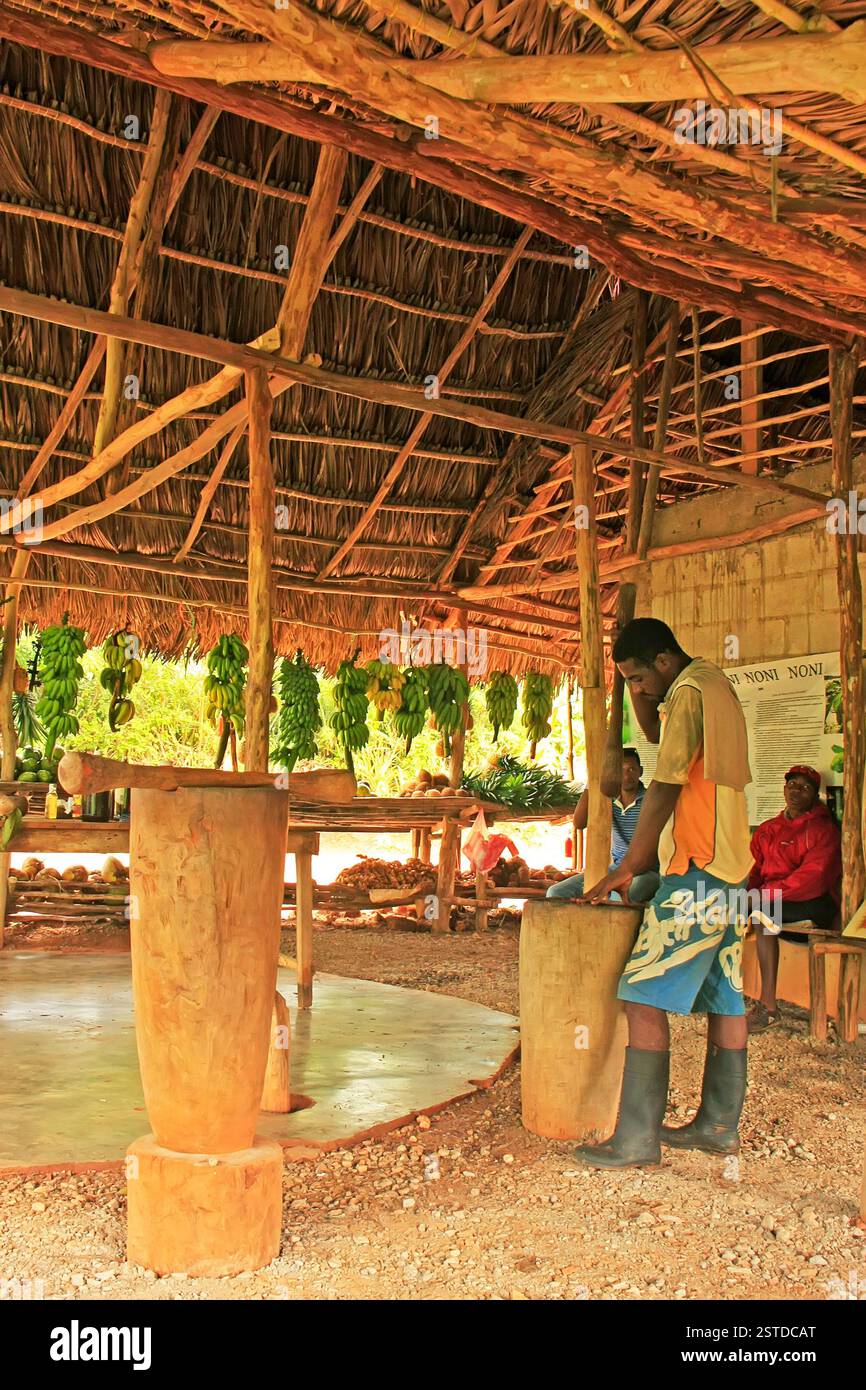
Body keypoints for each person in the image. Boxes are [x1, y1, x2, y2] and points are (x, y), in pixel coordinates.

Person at [573, 618, 753, 1170]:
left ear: (664, 660)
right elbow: (654, 737)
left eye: (639, 677)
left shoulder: (689, 694)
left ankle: (636, 1141)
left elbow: (667, 784)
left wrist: (630, 864)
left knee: (641, 994)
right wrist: (635, 685)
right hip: (732, 868)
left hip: (697, 869)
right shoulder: (709, 683)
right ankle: (718, 1127)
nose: (638, 690)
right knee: (727, 995)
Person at [746, 765, 841, 1033]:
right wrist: (745, 896)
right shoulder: (769, 829)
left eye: (805, 787)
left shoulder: (823, 831)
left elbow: (812, 880)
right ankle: (718, 995)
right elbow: (755, 870)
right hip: (775, 899)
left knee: (763, 914)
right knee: (722, 906)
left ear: (815, 794)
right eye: (792, 785)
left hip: (816, 902)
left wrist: (760, 897)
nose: (796, 791)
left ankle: (768, 1008)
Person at [545, 749, 660, 905]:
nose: (626, 775)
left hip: (646, 872)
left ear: (641, 771)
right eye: (620, 770)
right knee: (556, 892)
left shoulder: (650, 799)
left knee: (617, 898)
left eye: (631, 769)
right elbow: (579, 823)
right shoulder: (607, 801)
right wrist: (593, 780)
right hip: (616, 869)